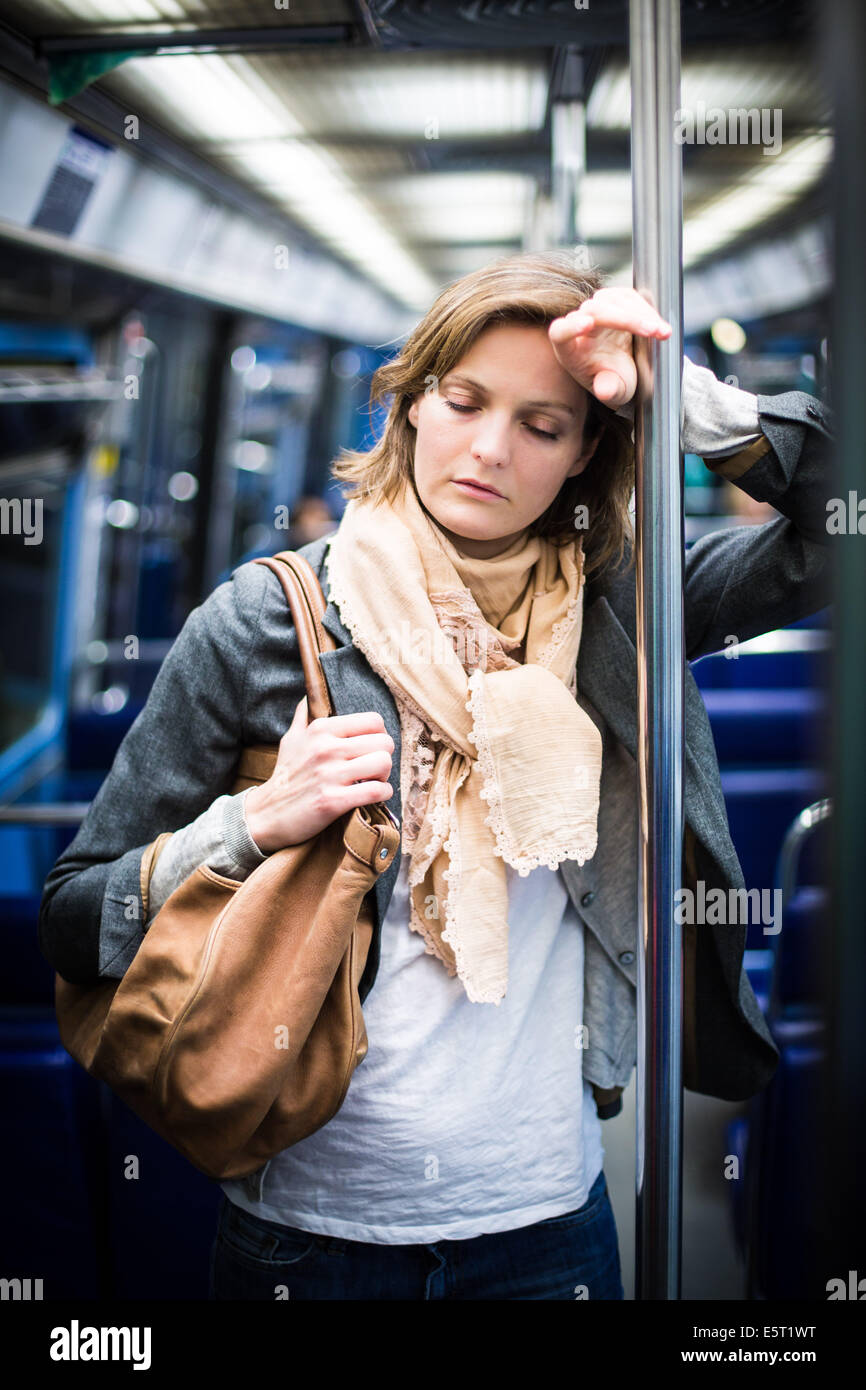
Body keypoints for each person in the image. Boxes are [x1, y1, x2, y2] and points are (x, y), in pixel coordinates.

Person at [38, 251, 833, 1301]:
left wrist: (680, 396)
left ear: (586, 449)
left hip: (546, 1221)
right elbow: (73, 915)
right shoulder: (266, 617)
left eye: (542, 426)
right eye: (462, 402)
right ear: (410, 403)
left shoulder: (623, 604)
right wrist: (252, 821)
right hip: (307, 1231)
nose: (490, 449)